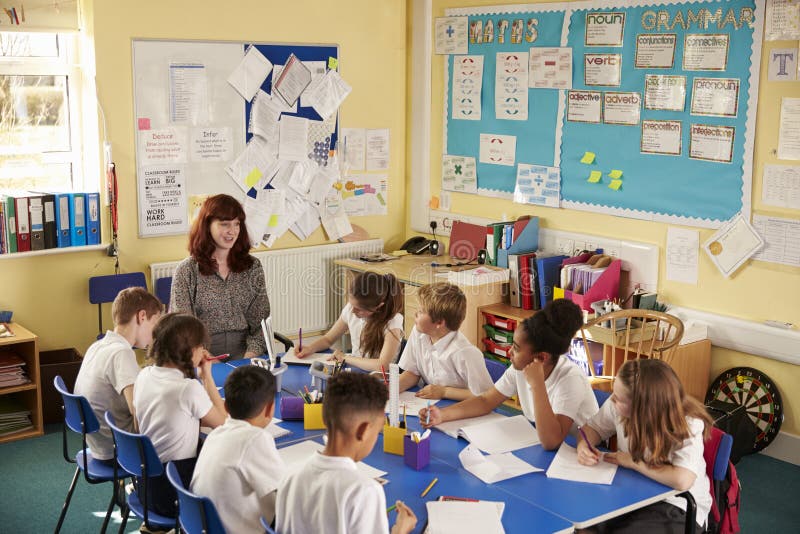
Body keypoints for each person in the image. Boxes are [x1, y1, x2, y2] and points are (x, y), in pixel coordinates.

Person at [420, 298, 597, 450]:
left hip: (580, 454)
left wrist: (537, 385)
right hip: (543, 448)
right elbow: (485, 401)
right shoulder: (519, 368)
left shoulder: (570, 379)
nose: (509, 351)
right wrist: (442, 415)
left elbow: (552, 441)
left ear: (541, 357)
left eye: (517, 348)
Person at [577, 359, 712, 532]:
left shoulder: (689, 423)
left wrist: (634, 462)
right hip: (634, 492)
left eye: (619, 399)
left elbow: (682, 480)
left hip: (676, 504)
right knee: (584, 524)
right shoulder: (617, 407)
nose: (612, 400)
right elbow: (592, 429)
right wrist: (583, 445)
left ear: (643, 407)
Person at [276, 372, 417, 534]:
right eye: (378, 430)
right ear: (363, 431)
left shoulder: (290, 475)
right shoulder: (365, 491)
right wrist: (400, 531)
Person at [133, 313, 227, 518]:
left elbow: (138, 426)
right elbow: (224, 424)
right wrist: (207, 377)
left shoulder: (144, 375)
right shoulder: (187, 389)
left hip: (147, 485)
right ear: (190, 351)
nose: (203, 350)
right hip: (175, 492)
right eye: (200, 345)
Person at [171, 194, 270, 360]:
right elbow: (183, 329)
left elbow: (261, 323)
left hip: (246, 353)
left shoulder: (252, 267)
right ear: (207, 226)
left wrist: (248, 358)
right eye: (225, 224)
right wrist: (209, 361)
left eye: (237, 224)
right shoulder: (186, 271)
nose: (232, 231)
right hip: (201, 356)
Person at [191, 365, 286, 531]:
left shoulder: (216, 434)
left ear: (225, 406)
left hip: (201, 526)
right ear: (270, 409)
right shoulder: (255, 439)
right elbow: (286, 493)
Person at [74, 287, 162, 463]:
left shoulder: (98, 346)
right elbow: (137, 410)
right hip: (118, 449)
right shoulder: (121, 353)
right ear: (142, 316)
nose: (156, 333)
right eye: (155, 323)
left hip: (96, 442)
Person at [397, 282, 493, 401]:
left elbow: (487, 396)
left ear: (439, 323)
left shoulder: (464, 352)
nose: (415, 313)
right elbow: (413, 373)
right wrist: (391, 389)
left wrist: (444, 391)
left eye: (421, 311)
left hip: (462, 408)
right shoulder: (419, 333)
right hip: (434, 404)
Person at [295, 272, 404, 372]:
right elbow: (328, 339)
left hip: (380, 378)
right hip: (356, 370)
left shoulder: (393, 323)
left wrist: (345, 358)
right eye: (351, 305)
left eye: (359, 309)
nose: (352, 311)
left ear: (379, 306)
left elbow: (382, 365)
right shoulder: (351, 309)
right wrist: (310, 348)